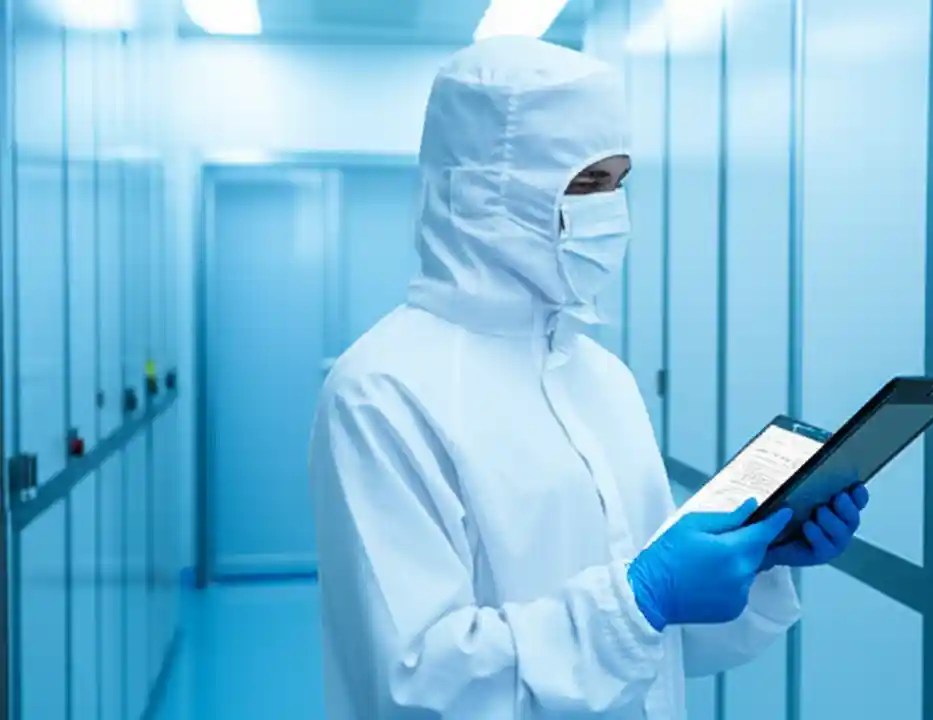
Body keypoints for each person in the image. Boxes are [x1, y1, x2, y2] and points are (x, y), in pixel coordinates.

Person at [308, 36, 869, 720]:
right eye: (585, 185)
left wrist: (756, 561)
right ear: (485, 193)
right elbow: (419, 685)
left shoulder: (599, 376)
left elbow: (663, 647)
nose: (611, 213)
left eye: (619, 182)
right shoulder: (382, 390)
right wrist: (640, 598)